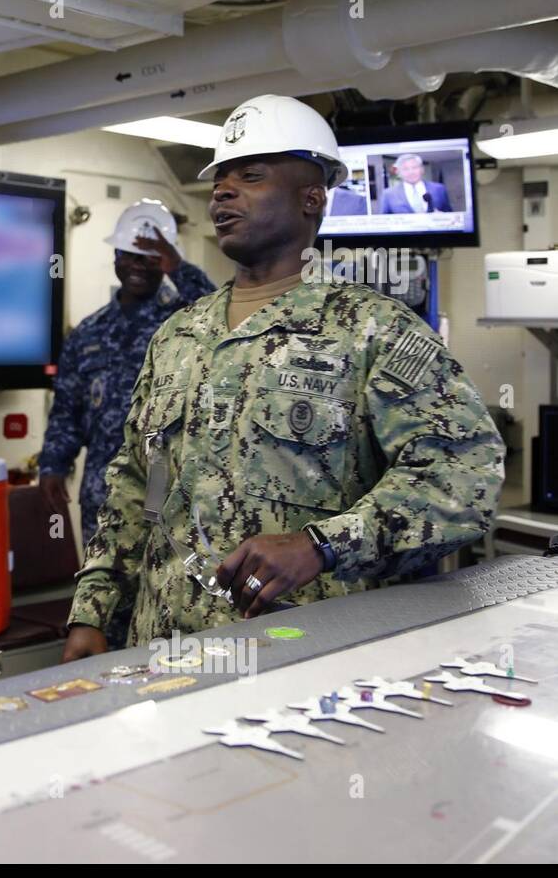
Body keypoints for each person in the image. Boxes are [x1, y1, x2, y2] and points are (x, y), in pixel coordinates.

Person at [61, 94, 504, 660]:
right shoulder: (178, 336)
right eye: (221, 178)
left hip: (305, 659)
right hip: (165, 656)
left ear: (311, 199)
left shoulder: (372, 330)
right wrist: (92, 613)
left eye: (250, 175)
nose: (223, 190)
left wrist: (321, 546)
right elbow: (132, 484)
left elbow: (465, 478)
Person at [38, 199, 214, 647]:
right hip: (103, 492)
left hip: (172, 489)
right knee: (104, 603)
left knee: (170, 600)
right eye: (130, 255)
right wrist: (52, 465)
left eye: (151, 258)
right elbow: (67, 409)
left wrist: (179, 266)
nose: (138, 266)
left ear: (166, 262)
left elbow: (220, 309)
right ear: (115, 258)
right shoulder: (88, 333)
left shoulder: (189, 321)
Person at [378, 154, 452, 213]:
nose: (411, 172)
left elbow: (451, 215)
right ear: (398, 173)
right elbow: (384, 222)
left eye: (415, 167)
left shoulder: (439, 189)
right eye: (405, 169)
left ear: (422, 169)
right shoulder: (388, 194)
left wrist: (443, 217)